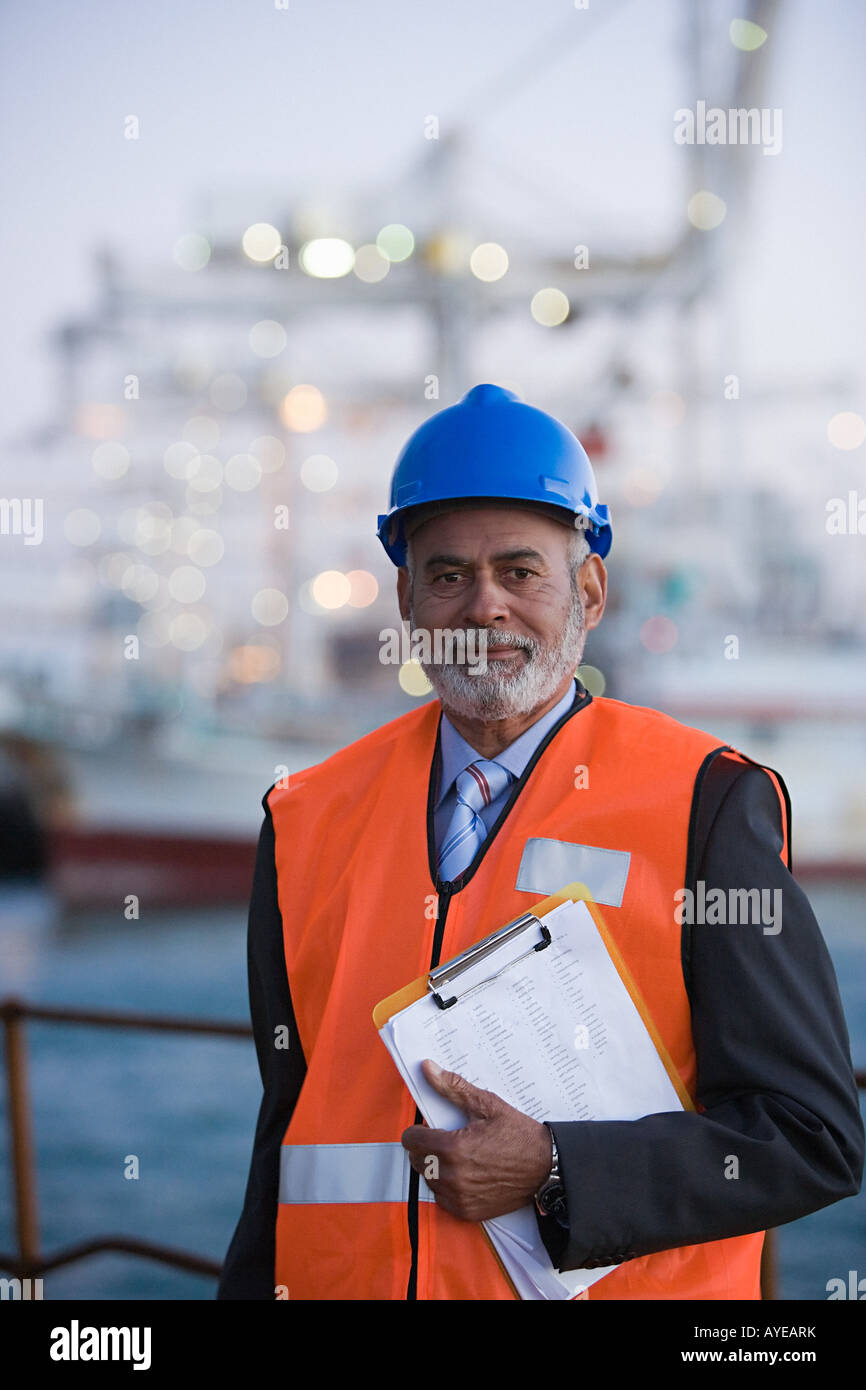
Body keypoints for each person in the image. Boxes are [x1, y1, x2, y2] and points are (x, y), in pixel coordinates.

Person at [217, 384, 863, 1300]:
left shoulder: (704, 805)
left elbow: (812, 1138)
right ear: (406, 596)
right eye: (447, 576)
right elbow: (283, 1139)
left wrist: (558, 1167)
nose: (484, 607)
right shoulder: (302, 822)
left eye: (522, 572)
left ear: (588, 591)